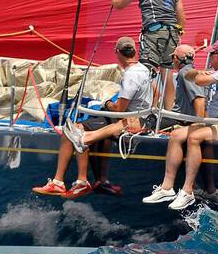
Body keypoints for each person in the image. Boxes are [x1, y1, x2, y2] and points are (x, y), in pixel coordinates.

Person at [33, 37, 150, 198]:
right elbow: (156, 91)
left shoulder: (130, 75)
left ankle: (66, 182)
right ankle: (101, 181)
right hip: (141, 118)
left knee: (73, 130)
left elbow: (119, 110)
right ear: (135, 51)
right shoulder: (144, 69)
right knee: (99, 132)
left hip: (126, 120)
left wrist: (107, 102)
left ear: (117, 52)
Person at [144, 39, 218, 211]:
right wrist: (199, 73)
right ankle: (167, 188)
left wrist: (200, 74)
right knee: (177, 135)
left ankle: (187, 191)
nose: (209, 58)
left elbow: (198, 81)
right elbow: (190, 75)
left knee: (194, 137)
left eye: (212, 55)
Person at [109, 0, 185, 111]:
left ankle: (145, 111)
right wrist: (179, 33)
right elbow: (181, 16)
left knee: (144, 70)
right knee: (167, 73)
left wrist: (115, 0)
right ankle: (169, 113)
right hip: (173, 33)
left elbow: (121, 4)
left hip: (153, 32)